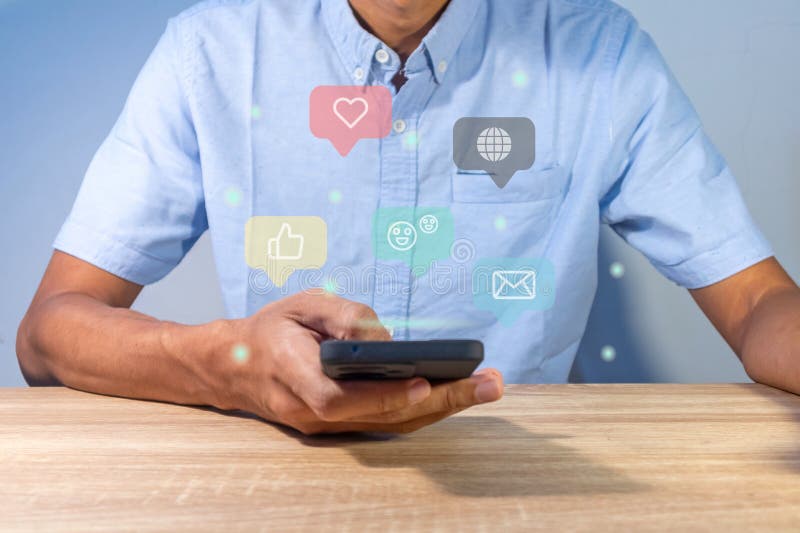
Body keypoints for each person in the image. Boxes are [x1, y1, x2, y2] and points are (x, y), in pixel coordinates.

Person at [16, 0, 800, 435]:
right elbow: (49, 331)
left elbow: (760, 304)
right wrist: (229, 365)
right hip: (273, 484)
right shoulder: (210, 54)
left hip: (523, 484)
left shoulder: (602, 55)